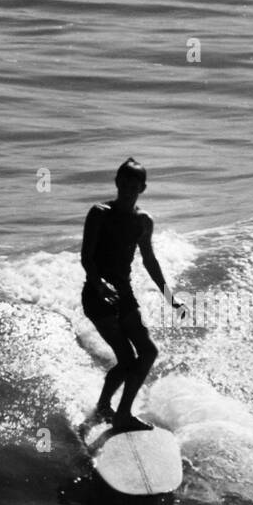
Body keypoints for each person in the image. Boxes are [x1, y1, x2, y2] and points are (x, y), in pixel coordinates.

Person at [80, 157, 183, 432]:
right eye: (123, 183)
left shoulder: (143, 221)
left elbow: (150, 260)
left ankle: (116, 411)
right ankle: (108, 409)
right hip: (96, 295)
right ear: (116, 183)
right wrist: (99, 284)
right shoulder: (99, 213)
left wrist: (170, 297)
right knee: (126, 360)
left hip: (124, 295)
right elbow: (86, 257)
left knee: (148, 352)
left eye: (134, 184)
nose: (128, 188)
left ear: (143, 187)